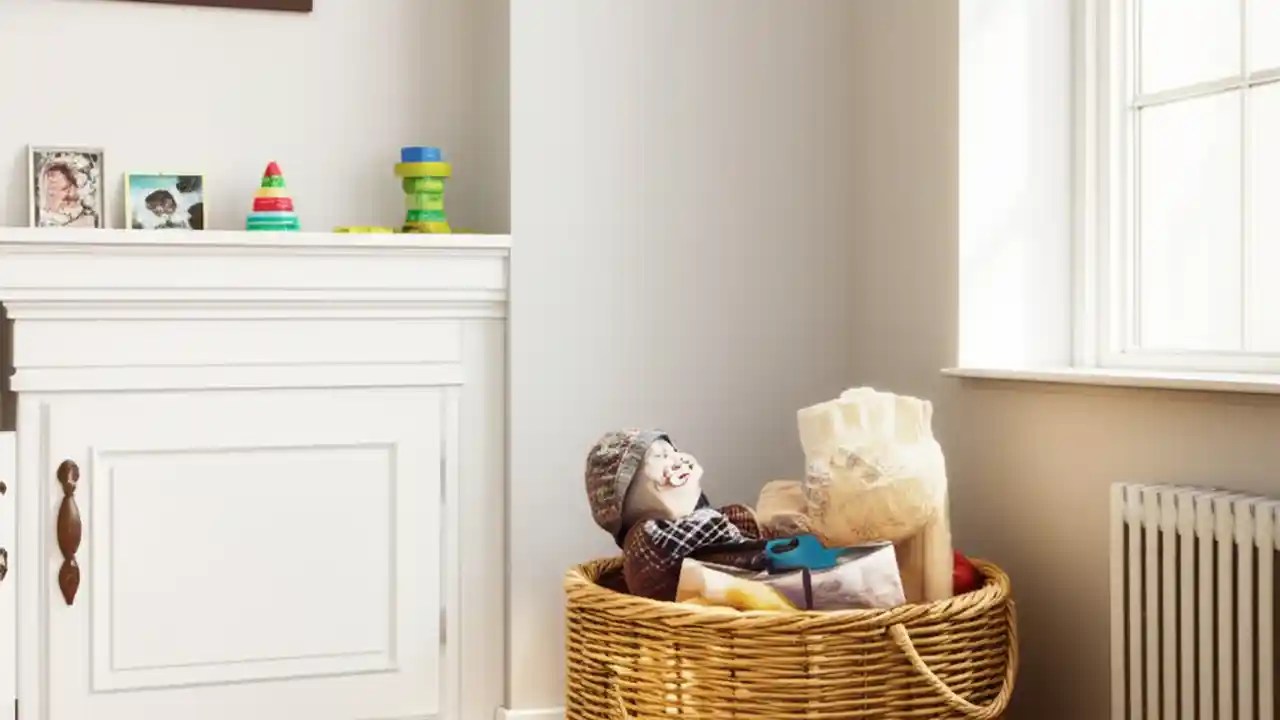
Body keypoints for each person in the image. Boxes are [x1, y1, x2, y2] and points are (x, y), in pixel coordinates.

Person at [38, 161, 97, 228]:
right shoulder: (45, 220)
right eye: (64, 189)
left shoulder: (89, 220)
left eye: (69, 187)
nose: (70, 193)